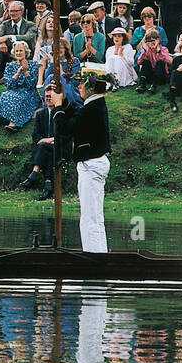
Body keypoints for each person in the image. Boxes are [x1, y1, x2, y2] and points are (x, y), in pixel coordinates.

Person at [48, 66, 113, 253]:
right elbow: (76, 116)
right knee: (94, 216)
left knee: (90, 217)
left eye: (81, 84)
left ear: (91, 88)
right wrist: (64, 101)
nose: (78, 87)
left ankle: (95, 257)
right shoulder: (94, 105)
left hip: (91, 164)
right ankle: (98, 253)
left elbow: (66, 130)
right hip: (94, 162)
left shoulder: (93, 108)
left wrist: (58, 107)